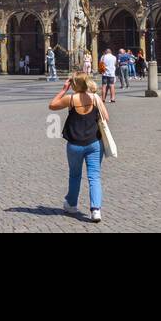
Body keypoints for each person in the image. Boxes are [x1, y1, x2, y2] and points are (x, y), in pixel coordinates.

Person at [48, 72, 107, 223]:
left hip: (74, 144)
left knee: (75, 175)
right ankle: (95, 210)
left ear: (74, 84)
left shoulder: (71, 99)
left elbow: (52, 105)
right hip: (94, 142)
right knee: (94, 176)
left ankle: (72, 204)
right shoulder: (95, 98)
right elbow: (106, 117)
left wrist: (63, 90)